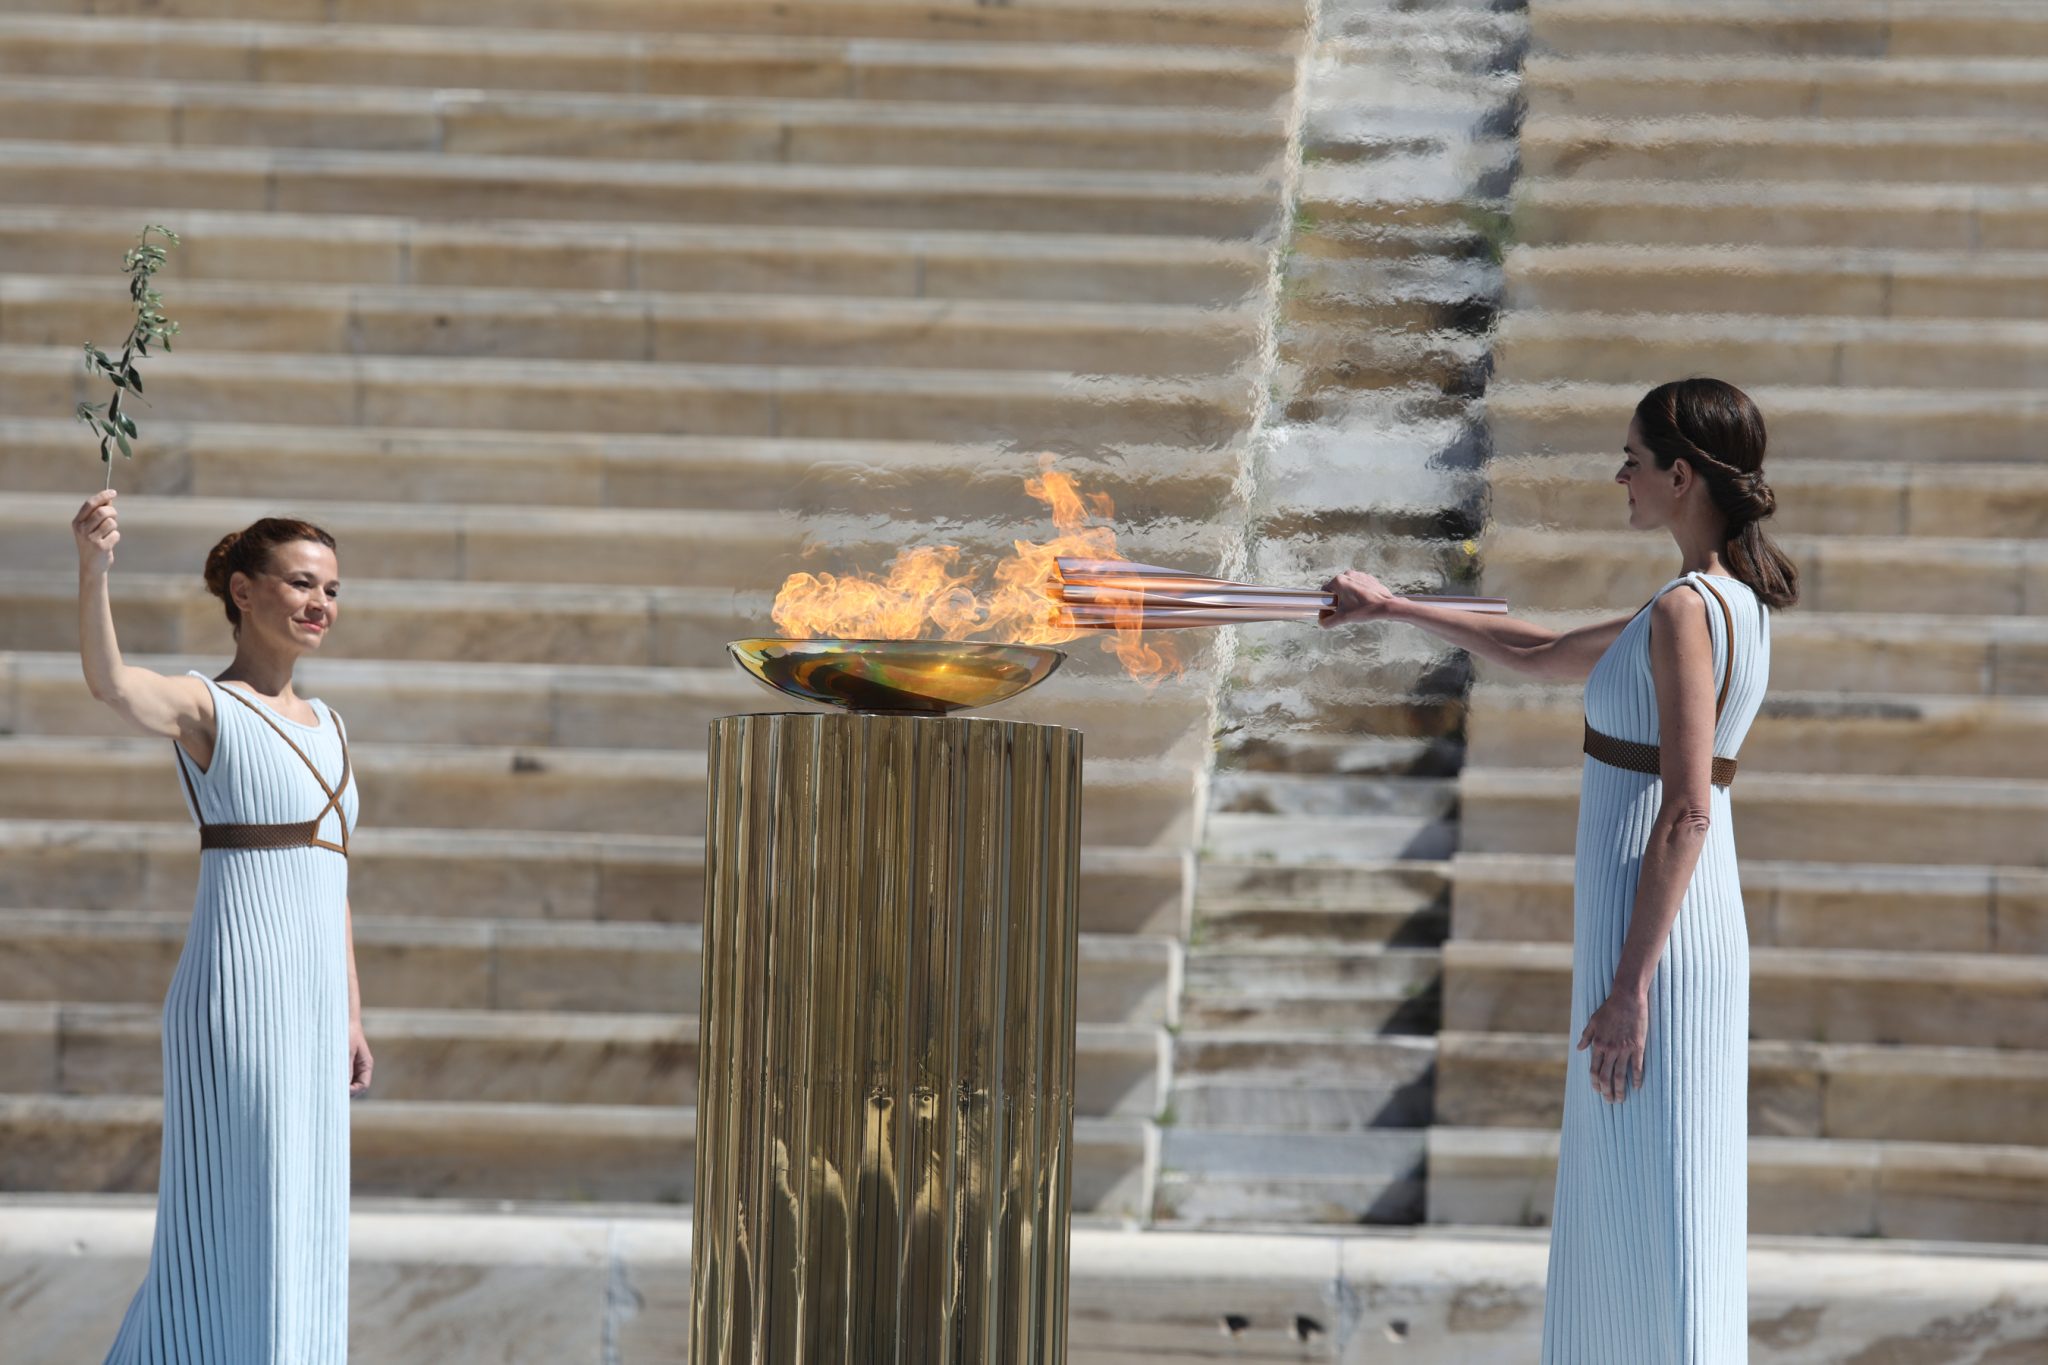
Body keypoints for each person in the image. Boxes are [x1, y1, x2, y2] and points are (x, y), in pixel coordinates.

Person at [1322, 378, 1797, 1362]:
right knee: (1656, 1195)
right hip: (1669, 935)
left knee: (1656, 1198)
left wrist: (1628, 986)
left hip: (1653, 945)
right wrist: (1393, 605)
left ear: (1679, 475)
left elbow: (1684, 807)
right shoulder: (1721, 604)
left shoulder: (1683, 611)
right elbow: (1540, 650)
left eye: (1631, 456)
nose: (1618, 474)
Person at [74, 488, 369, 1364]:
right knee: (229, 1220)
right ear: (244, 592)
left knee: (304, 1215)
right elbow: (112, 684)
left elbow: (333, 874)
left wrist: (351, 1011)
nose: (320, 604)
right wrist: (95, 569)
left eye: (332, 590)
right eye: (301, 583)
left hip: (315, 1005)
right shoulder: (208, 708)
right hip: (239, 995)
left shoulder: (333, 726)